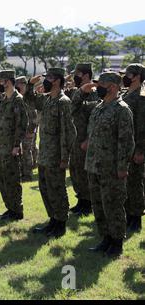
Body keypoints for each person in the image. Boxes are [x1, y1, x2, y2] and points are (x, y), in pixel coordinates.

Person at [85, 72, 135, 257]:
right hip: (94, 165)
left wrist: (122, 167)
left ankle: (116, 242)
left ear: (112, 87)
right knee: (98, 205)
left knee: (113, 205)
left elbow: (126, 142)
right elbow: (92, 135)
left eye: (102, 84)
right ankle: (105, 238)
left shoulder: (122, 109)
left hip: (111, 168)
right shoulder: (99, 107)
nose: (98, 87)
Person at [28, 68, 77, 238]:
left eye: (49, 77)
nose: (45, 80)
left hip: (56, 155)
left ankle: (61, 223)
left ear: (57, 80)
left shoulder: (63, 102)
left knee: (57, 189)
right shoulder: (48, 99)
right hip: (44, 153)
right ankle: (53, 220)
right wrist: (30, 85)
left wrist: (65, 157)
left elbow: (68, 131)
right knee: (45, 188)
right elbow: (30, 100)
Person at [0, 70, 28, 221]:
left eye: (1, 81)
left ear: (8, 82)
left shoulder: (18, 99)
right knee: (3, 180)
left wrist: (17, 145)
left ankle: (17, 211)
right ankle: (10, 208)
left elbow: (22, 124)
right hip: (2, 146)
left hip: (11, 147)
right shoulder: (3, 98)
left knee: (12, 180)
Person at [67, 63, 100, 217]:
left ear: (86, 75)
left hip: (86, 141)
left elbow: (96, 119)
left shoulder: (96, 94)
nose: (75, 76)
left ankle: (88, 204)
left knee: (85, 173)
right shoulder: (75, 92)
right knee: (75, 171)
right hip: (74, 138)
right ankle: (81, 200)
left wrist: (88, 139)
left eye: (78, 73)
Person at [121, 63, 145, 233]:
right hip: (122, 147)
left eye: (128, 74)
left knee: (135, 184)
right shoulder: (124, 95)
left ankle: (135, 218)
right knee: (125, 184)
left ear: (137, 77)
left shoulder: (141, 97)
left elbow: (142, 126)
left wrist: (141, 150)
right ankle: (127, 214)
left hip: (134, 148)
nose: (125, 77)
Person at [16, 76, 38, 182]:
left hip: (28, 130)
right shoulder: (18, 97)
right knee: (20, 152)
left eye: (19, 84)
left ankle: (28, 175)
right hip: (20, 129)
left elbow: (34, 116)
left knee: (27, 152)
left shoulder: (29, 97)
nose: (17, 86)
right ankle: (22, 172)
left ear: (24, 84)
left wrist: (31, 130)